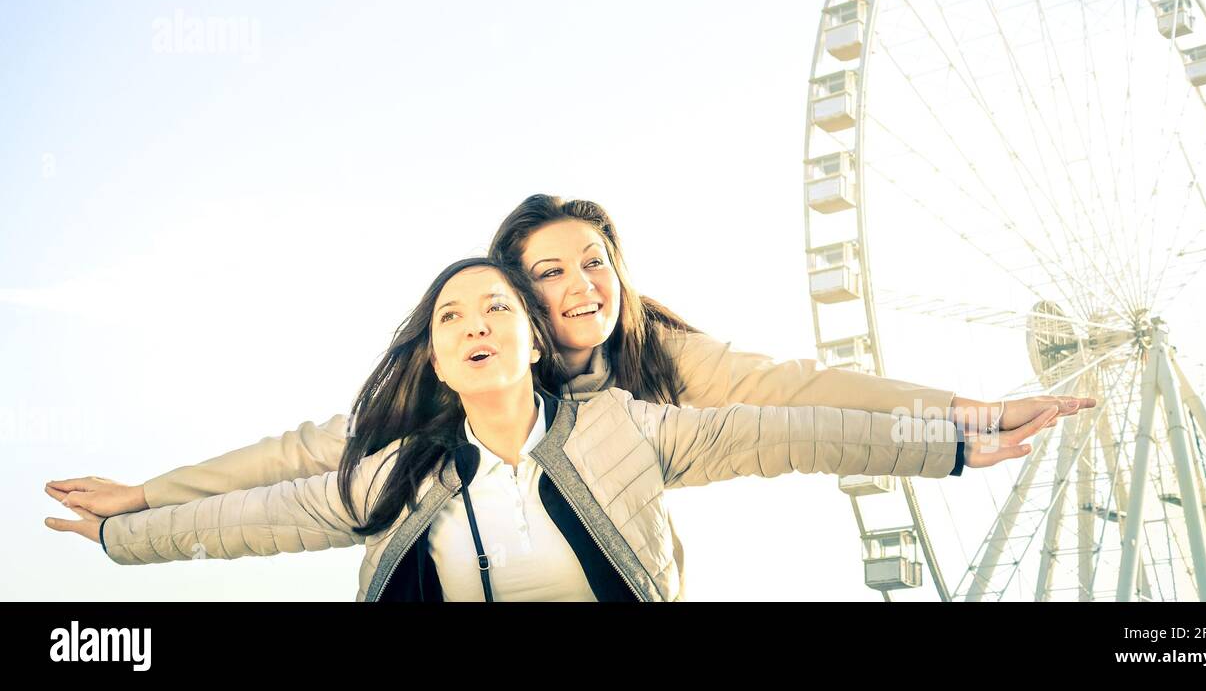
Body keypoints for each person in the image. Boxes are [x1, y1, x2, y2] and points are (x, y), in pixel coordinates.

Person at [46, 194, 1095, 536]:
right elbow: (310, 456)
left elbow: (808, 400)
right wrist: (147, 496)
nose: (582, 284)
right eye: (549, 271)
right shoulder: (462, 388)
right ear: (517, 300)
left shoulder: (662, 361)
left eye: (596, 261)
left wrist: (952, 416)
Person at [47, 257, 1061, 601]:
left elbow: (796, 425)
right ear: (435, 360)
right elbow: (265, 511)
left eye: (495, 307)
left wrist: (959, 435)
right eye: (450, 317)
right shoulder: (398, 468)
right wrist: (122, 525)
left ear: (533, 339)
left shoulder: (634, 428)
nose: (474, 324)